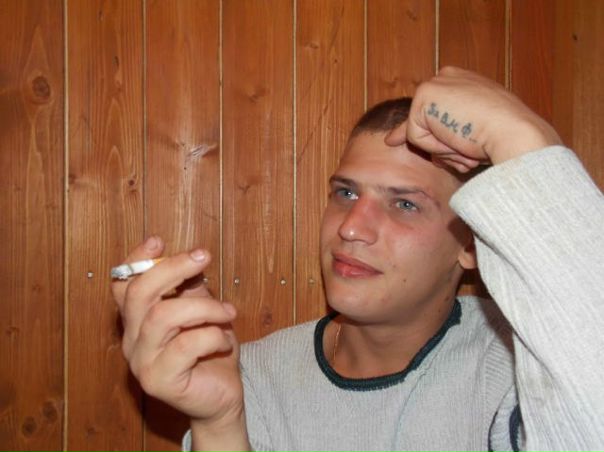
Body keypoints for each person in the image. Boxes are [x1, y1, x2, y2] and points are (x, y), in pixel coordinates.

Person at [111, 67, 604, 452]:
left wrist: (526, 141)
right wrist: (219, 423)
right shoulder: (251, 376)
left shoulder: (520, 364)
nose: (351, 228)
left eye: (404, 204)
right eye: (346, 193)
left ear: (472, 245)